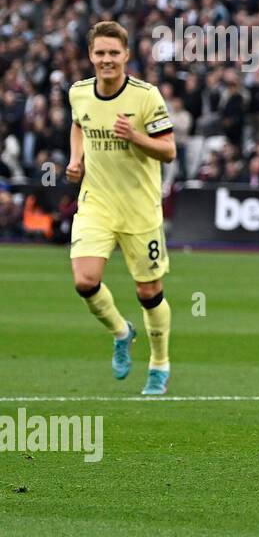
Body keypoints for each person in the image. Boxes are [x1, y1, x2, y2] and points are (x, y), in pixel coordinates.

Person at [67, 21, 177, 396]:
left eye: (114, 53)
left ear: (126, 55)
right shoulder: (79, 92)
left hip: (140, 209)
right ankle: (121, 331)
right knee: (84, 280)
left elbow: (169, 150)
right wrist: (75, 158)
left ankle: (159, 364)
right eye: (100, 53)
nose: (107, 59)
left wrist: (135, 137)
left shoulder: (146, 97)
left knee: (149, 293)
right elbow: (78, 125)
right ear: (90, 56)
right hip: (96, 202)